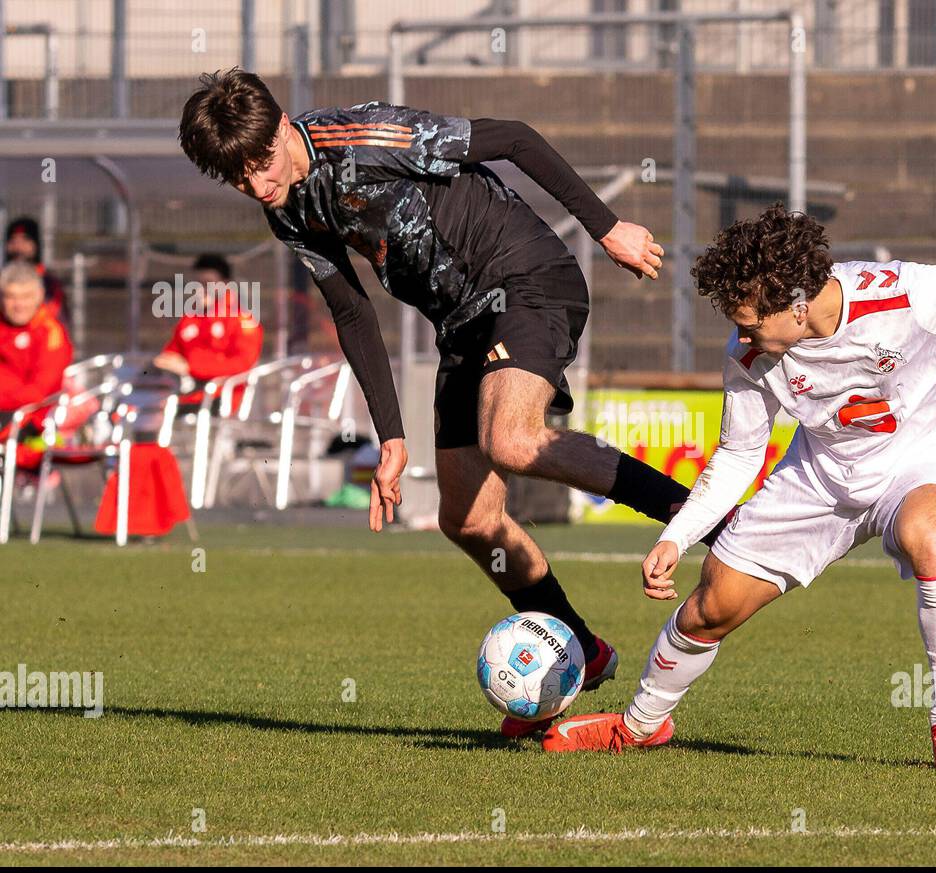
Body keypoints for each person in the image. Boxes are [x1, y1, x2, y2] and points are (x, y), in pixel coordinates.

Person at [542, 203, 936, 771]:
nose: (740, 335)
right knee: (712, 604)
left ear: (794, 302)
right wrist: (678, 536)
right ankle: (641, 726)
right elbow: (740, 456)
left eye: (747, 320)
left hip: (919, 460)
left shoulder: (910, 294)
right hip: (820, 477)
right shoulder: (748, 357)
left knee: (928, 536)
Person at [177, 68, 725, 737]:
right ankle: (582, 648)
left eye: (261, 164)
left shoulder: (367, 134)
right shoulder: (284, 206)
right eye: (239, 179)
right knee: (466, 520)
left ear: (281, 124)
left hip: (526, 280)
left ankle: (703, 518)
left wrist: (607, 228)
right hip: (462, 324)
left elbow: (515, 140)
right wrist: (391, 437)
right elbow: (352, 313)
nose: (258, 185)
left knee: (511, 438)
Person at [153, 253, 263, 404]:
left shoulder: (242, 321)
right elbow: (173, 352)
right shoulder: (190, 319)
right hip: (184, 394)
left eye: (208, 283)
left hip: (221, 397)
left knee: (155, 411)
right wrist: (165, 361)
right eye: (197, 284)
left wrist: (191, 367)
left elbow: (242, 364)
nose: (200, 290)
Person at [0, 260, 73, 419]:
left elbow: (38, 392)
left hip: (28, 420)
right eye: (11, 297)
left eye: (26, 296)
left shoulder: (51, 333)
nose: (18, 305)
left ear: (39, 295)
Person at [4, 218, 65, 317]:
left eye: (25, 240)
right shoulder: (2, 281)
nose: (18, 247)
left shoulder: (49, 283)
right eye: (13, 241)